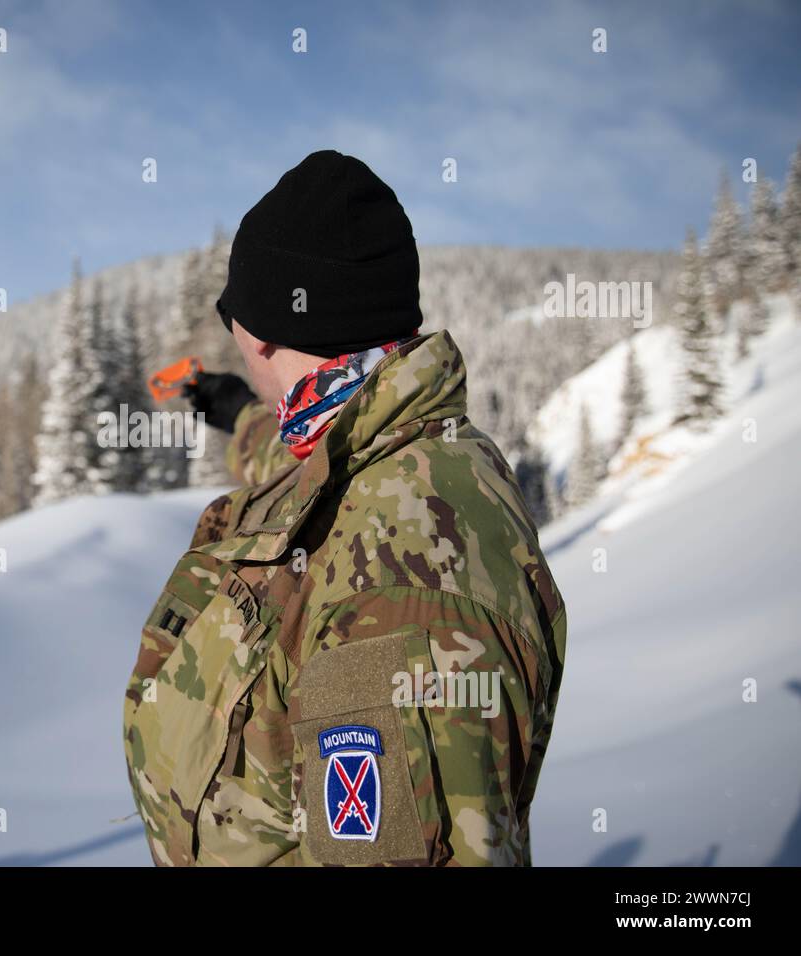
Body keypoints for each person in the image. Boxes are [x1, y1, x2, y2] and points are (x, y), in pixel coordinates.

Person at [122, 150, 567, 866]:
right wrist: (237, 409)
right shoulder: (386, 446)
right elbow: (315, 486)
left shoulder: (397, 588)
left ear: (260, 331)